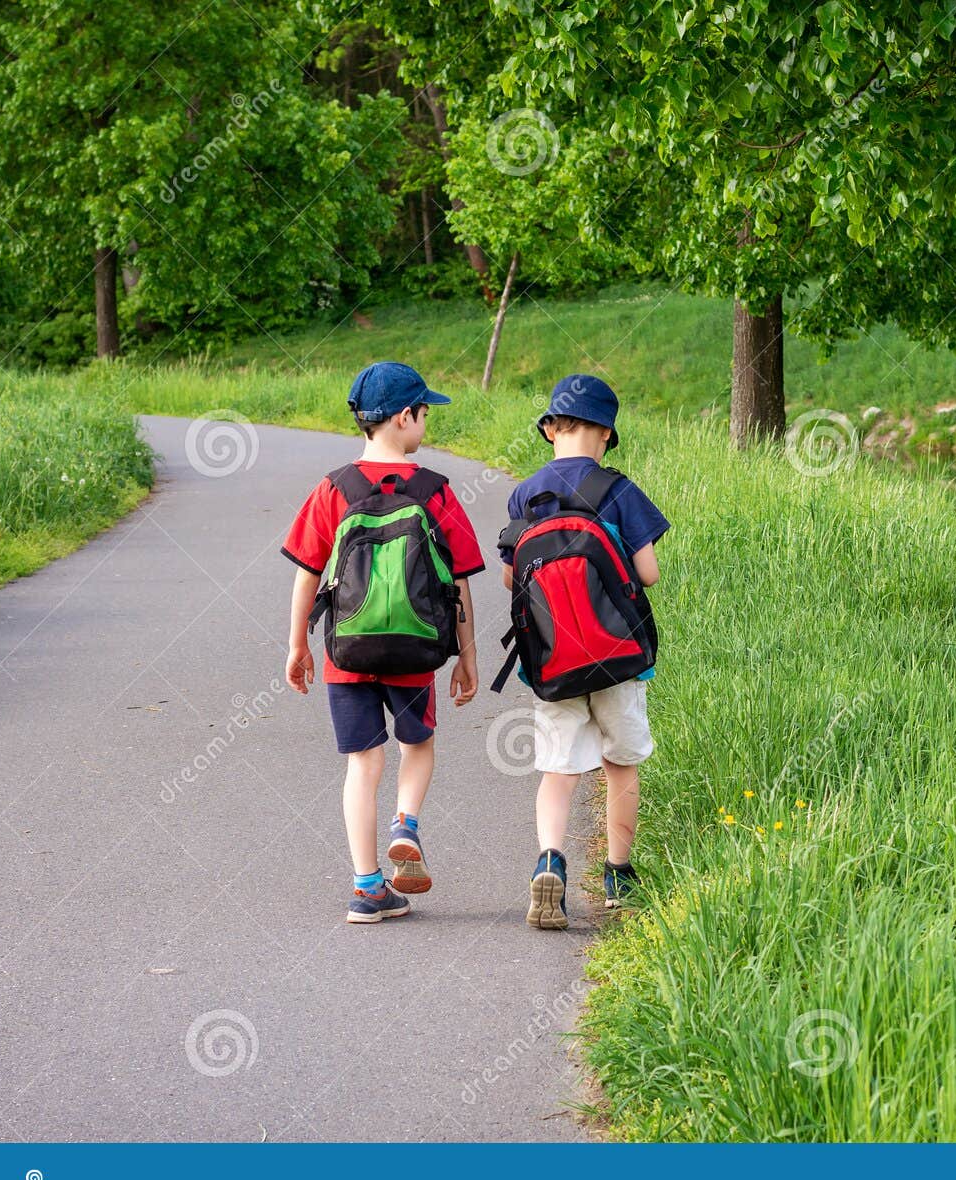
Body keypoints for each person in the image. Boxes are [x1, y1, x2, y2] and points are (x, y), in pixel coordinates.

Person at [282, 362, 483, 923]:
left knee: (362, 764)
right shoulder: (436, 492)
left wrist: (297, 644)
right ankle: (407, 824)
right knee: (417, 745)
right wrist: (467, 655)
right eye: (425, 413)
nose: (427, 422)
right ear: (404, 417)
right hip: (414, 654)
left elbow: (305, 573)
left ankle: (367, 888)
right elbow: (459, 580)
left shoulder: (333, 488)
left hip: (347, 654)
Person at [501, 374, 669, 929]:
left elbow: (511, 579)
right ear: (605, 434)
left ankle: (550, 861)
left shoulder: (525, 493)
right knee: (621, 765)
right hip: (618, 657)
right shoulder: (618, 489)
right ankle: (619, 875)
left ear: (550, 429)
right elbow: (647, 572)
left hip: (551, 661)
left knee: (558, 770)